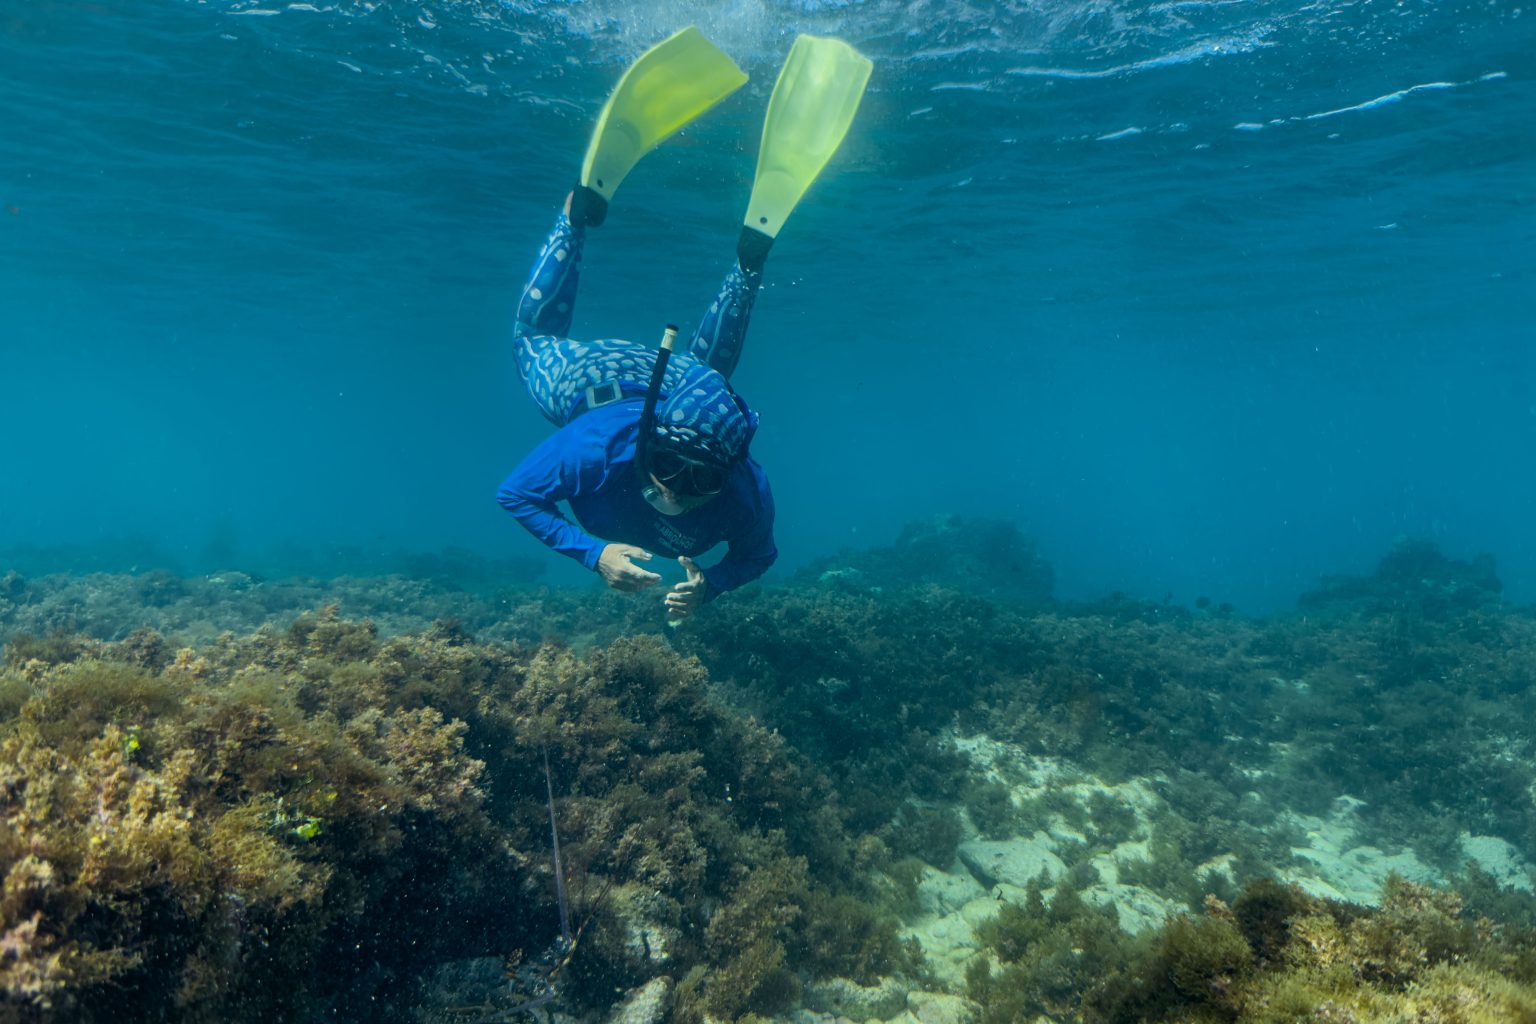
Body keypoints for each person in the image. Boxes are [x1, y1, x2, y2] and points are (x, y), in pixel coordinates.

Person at [497, 28, 871, 622]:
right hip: (593, 385)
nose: (673, 488)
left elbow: (759, 555)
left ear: (730, 473)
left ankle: (744, 262)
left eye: (699, 480)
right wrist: (592, 553)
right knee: (532, 342)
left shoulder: (745, 492)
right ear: (648, 442)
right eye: (667, 465)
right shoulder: (598, 446)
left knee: (705, 375)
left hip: (678, 389)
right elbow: (516, 494)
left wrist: (713, 585)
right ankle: (578, 217)